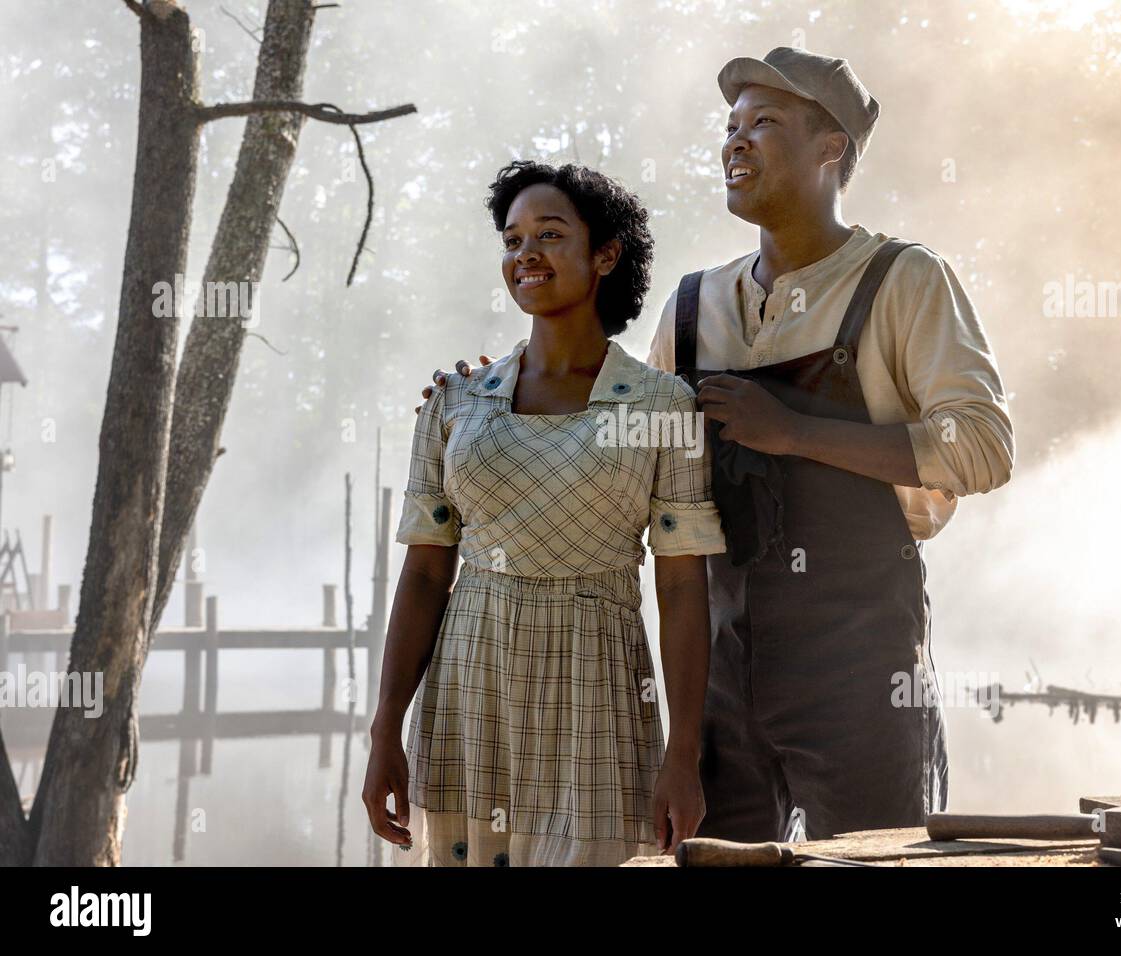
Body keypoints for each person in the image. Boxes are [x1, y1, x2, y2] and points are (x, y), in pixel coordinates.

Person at [428, 47, 1014, 844]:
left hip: (860, 667)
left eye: (763, 124)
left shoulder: (904, 280)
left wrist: (797, 433)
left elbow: (981, 447)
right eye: (730, 126)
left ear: (830, 148)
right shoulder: (697, 303)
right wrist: (485, 398)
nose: (734, 143)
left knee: (871, 861)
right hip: (718, 672)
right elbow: (624, 451)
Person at [364, 160, 726, 867]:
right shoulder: (456, 402)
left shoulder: (661, 405)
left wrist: (683, 756)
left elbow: (683, 587)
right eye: (511, 239)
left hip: (597, 685)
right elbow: (423, 577)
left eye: (550, 234)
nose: (525, 253)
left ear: (605, 255)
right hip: (471, 684)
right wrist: (384, 731)